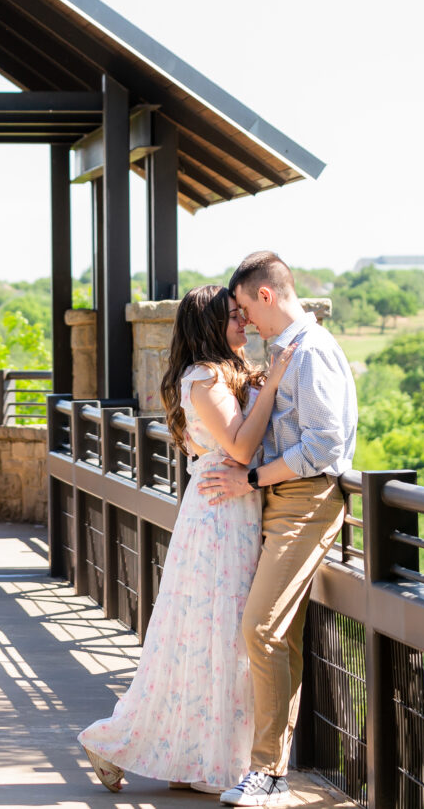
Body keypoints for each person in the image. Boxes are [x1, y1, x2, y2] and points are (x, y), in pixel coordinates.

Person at [79, 284, 296, 795]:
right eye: (234, 317)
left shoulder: (220, 374)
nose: (243, 323)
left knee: (212, 639)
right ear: (209, 327)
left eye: (244, 315)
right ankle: (116, 741)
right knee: (218, 635)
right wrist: (275, 381)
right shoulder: (202, 379)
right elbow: (242, 447)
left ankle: (198, 757)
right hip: (219, 519)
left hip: (230, 510)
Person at [197, 251, 358, 808]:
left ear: (266, 295)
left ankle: (266, 773)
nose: (243, 320)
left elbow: (323, 446)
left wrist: (251, 479)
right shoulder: (285, 351)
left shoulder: (311, 352)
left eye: (244, 307)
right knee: (279, 638)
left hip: (305, 502)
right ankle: (273, 771)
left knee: (259, 629)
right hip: (278, 501)